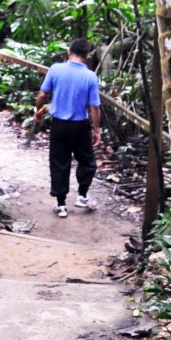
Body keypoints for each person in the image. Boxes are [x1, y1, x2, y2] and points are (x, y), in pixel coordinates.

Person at [35, 37, 101, 218]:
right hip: (80, 126)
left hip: (59, 125)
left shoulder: (56, 69)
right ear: (87, 56)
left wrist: (38, 110)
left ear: (68, 52)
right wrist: (96, 130)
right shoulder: (90, 76)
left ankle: (61, 204)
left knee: (59, 161)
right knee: (87, 161)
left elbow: (43, 94)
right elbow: (94, 107)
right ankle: (82, 195)